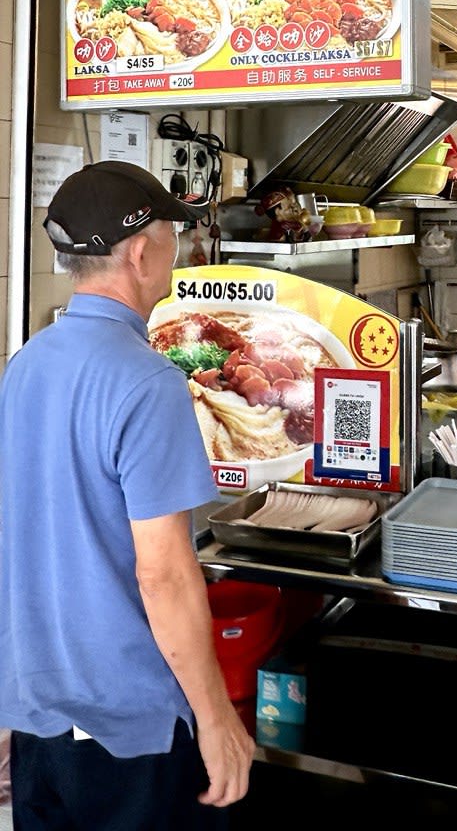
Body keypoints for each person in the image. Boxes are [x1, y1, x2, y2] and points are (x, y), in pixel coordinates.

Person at [0, 161, 255, 829]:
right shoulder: (147, 383)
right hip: (128, 731)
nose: (177, 251)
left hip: (40, 719)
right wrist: (215, 717)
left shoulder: (25, 366)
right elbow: (165, 573)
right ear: (141, 252)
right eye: (173, 235)